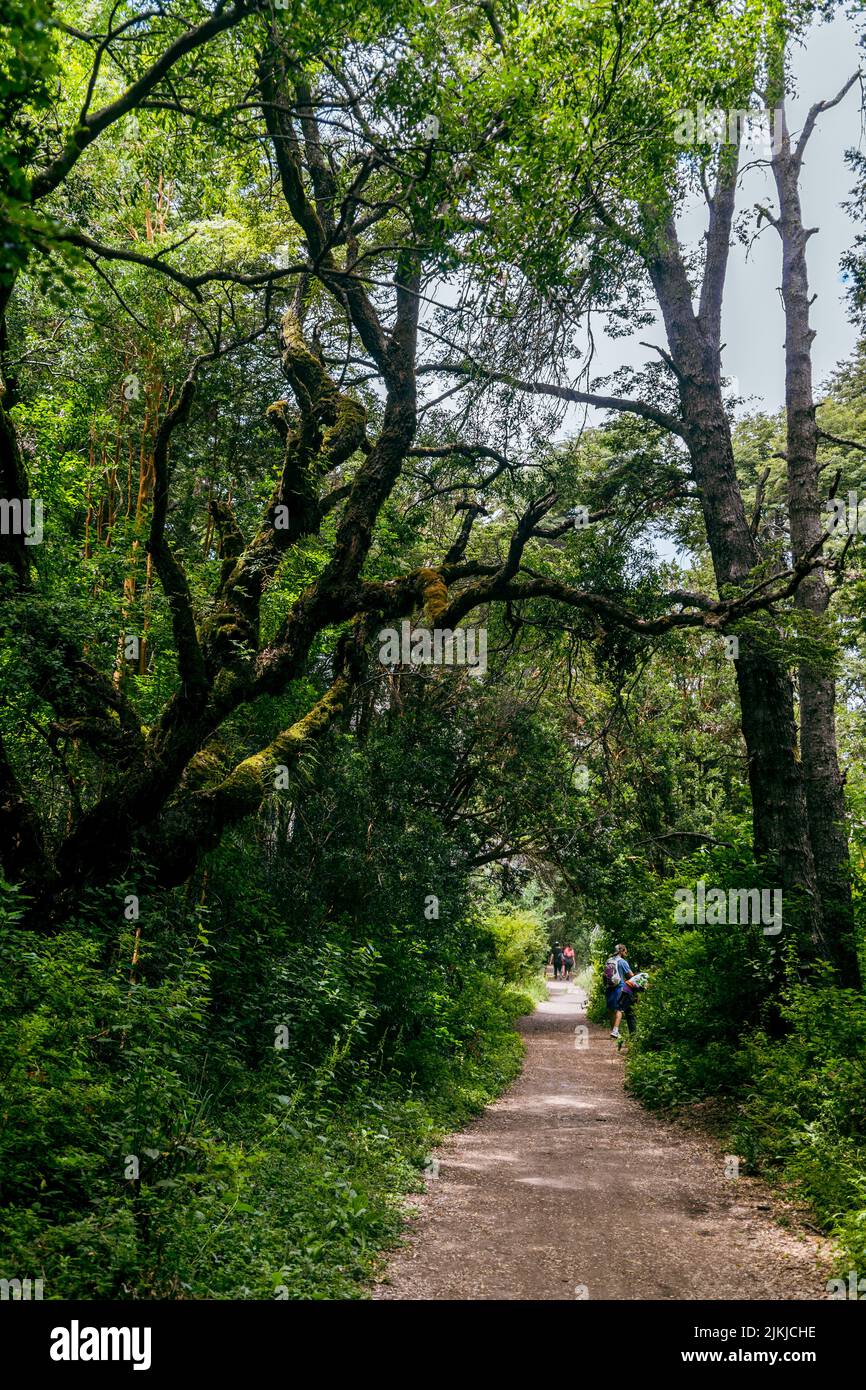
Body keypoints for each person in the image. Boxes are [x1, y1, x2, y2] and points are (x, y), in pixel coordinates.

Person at [604, 943, 638, 1039]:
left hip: (609, 987)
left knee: (611, 1009)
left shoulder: (609, 960)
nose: (626, 953)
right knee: (619, 1008)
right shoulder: (622, 962)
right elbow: (631, 976)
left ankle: (613, 1030)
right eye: (625, 951)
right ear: (621, 951)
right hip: (620, 987)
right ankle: (615, 1031)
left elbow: (605, 975)